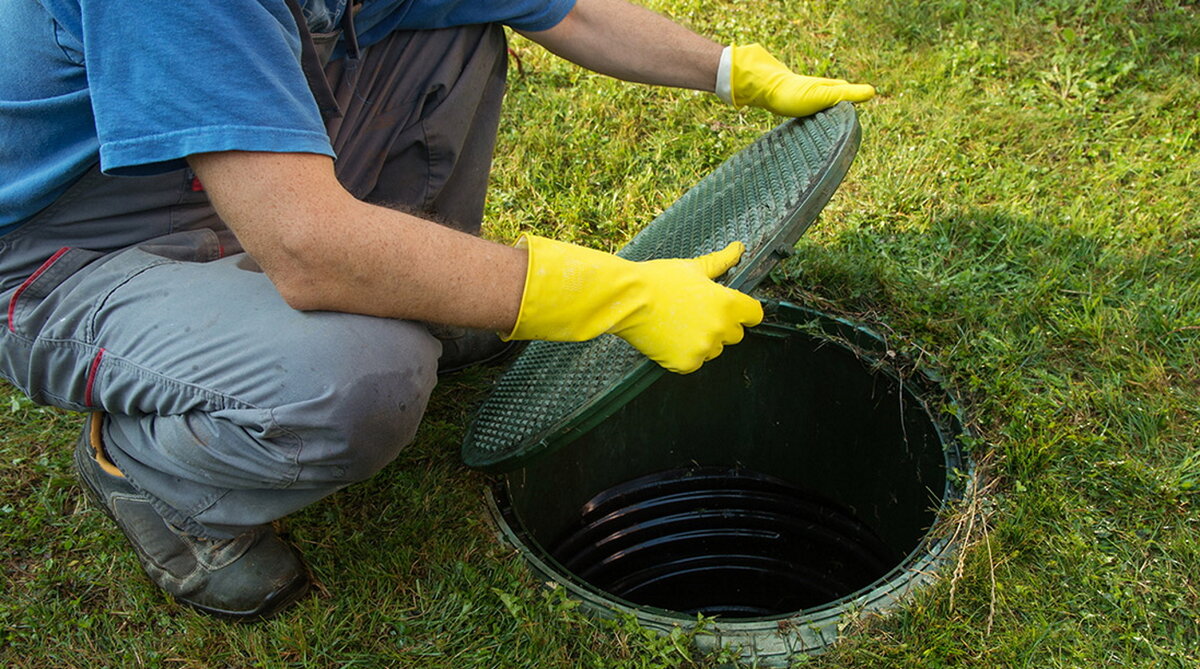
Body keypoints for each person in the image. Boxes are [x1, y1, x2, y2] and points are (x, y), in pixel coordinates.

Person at [0, 0, 874, 621]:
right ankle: (150, 475)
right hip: (71, 245)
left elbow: (563, 9)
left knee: (452, 31)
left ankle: (416, 299)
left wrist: (734, 72)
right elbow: (308, 247)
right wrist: (605, 291)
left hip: (226, 167)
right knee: (357, 377)